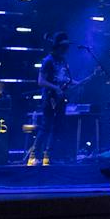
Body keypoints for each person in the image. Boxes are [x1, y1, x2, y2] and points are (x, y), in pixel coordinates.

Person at [30, 32, 75, 165]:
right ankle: (34, 155)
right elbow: (41, 81)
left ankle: (48, 156)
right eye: (64, 46)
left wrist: (80, 82)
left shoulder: (63, 61)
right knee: (46, 126)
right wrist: (56, 88)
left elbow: (66, 79)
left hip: (60, 100)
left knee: (56, 127)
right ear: (59, 46)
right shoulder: (48, 60)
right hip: (50, 99)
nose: (66, 49)